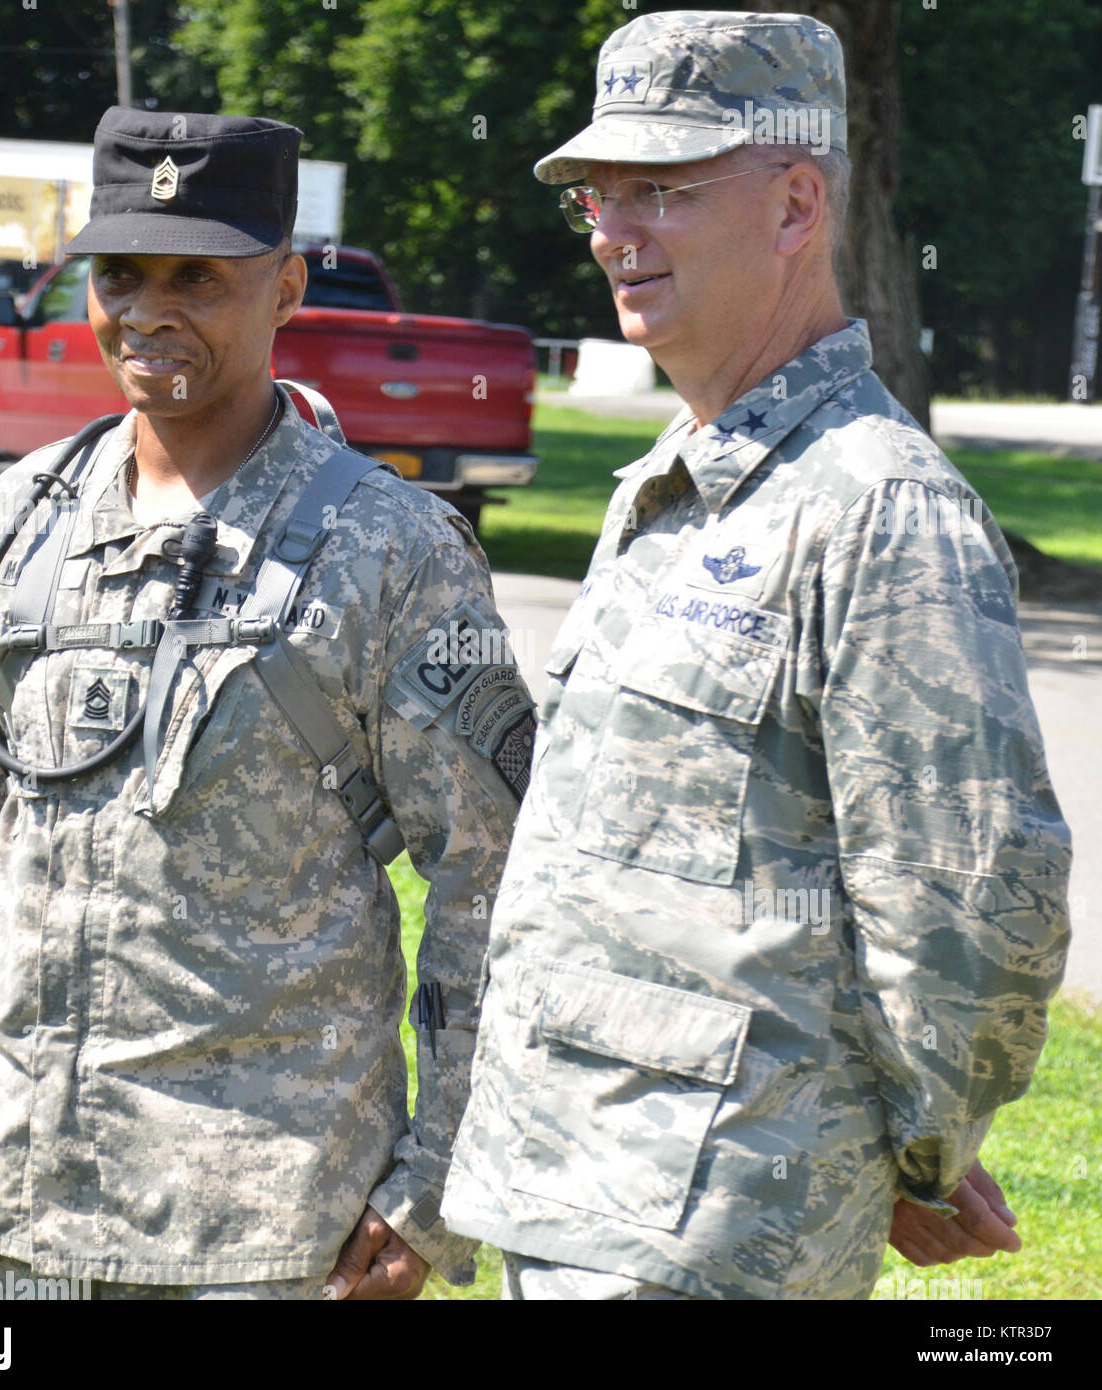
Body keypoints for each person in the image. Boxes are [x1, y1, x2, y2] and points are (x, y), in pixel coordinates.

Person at [441, 10, 1072, 1299]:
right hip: (571, 1195)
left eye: (661, 190)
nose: (614, 231)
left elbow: (976, 904)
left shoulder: (881, 508)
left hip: (716, 1233)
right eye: (598, 198)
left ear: (795, 206)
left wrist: (904, 1153)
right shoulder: (667, 490)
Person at [0, 108, 535, 1300]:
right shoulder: (19, 518)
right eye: (122, 272)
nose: (147, 308)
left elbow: (494, 881)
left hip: (262, 1231)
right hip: (5, 1214)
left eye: (200, 274)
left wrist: (437, 1178)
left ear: (286, 286)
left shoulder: (391, 548)